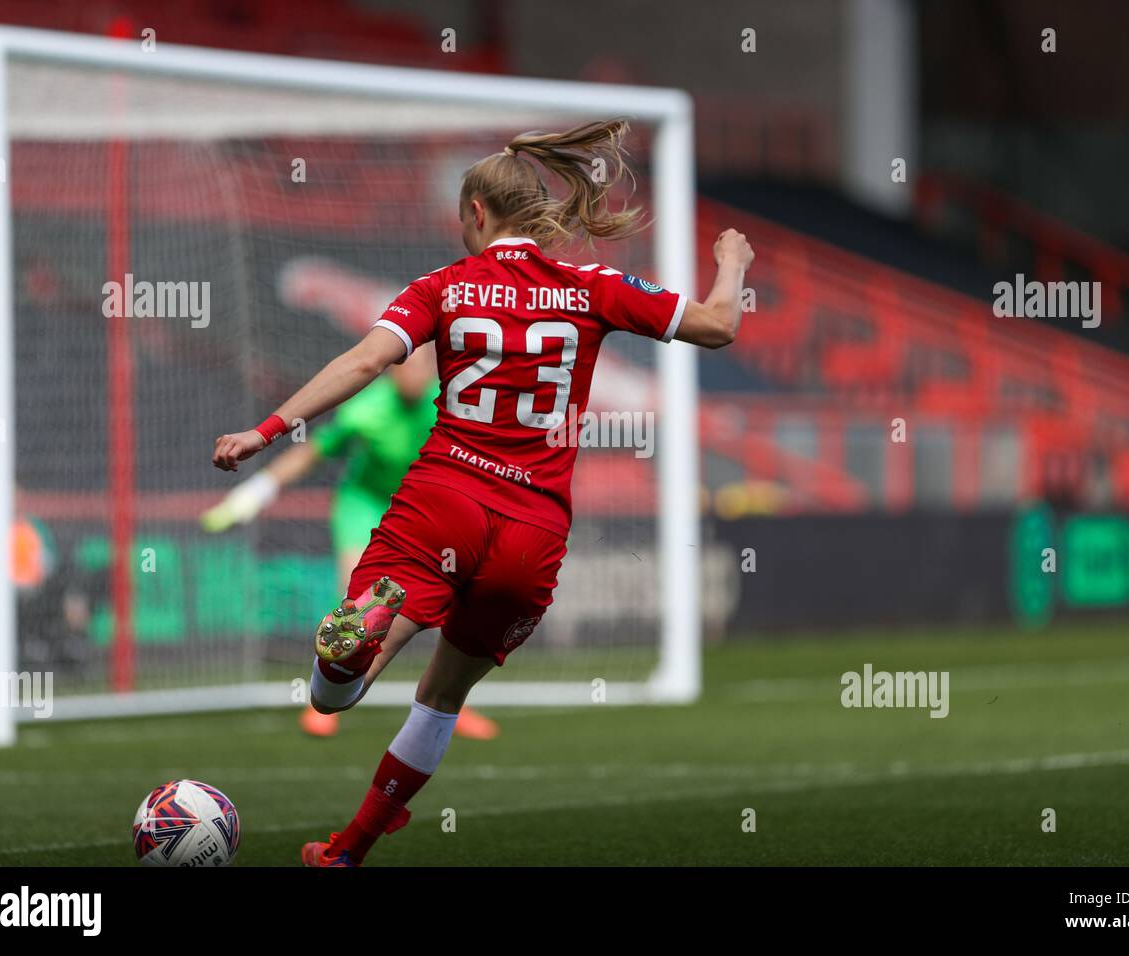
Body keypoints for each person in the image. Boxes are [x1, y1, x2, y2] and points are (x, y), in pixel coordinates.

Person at [210, 118, 753, 866]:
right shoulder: (593, 287)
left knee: (332, 698)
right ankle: (348, 850)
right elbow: (721, 325)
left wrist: (266, 429)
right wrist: (731, 260)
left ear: (475, 214)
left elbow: (366, 362)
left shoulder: (443, 287)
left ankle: (351, 650)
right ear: (540, 218)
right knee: (441, 702)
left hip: (444, 500)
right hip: (533, 533)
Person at [200, 346, 499, 740]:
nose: (415, 373)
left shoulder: (452, 405)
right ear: (392, 370)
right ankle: (323, 703)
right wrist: (252, 495)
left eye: (424, 364)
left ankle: (447, 701)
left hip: (425, 506)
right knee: (357, 606)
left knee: (454, 604)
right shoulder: (366, 409)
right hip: (364, 506)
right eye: (406, 365)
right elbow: (310, 455)